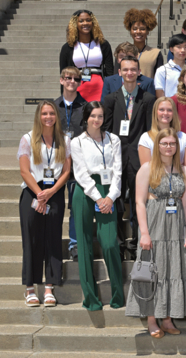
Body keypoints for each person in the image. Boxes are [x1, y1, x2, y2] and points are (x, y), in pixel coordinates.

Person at [127, 128, 186, 337]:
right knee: (154, 270)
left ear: (177, 147)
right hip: (154, 223)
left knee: (173, 269)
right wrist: (144, 233)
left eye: (172, 143)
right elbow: (139, 202)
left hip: (176, 227)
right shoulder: (147, 168)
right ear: (157, 146)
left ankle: (167, 318)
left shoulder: (183, 170)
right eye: (164, 143)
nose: (168, 147)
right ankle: (151, 319)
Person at [69, 101, 124, 311]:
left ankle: (118, 295)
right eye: (93, 116)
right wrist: (97, 197)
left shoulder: (113, 139)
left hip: (108, 190)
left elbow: (118, 171)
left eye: (100, 116)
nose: (97, 120)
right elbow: (80, 173)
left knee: (109, 243)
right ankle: (91, 299)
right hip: (85, 191)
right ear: (86, 117)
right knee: (83, 246)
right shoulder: (77, 142)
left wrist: (110, 197)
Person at [18, 101, 72, 308]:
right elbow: (24, 170)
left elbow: (66, 171)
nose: (48, 117)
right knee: (31, 240)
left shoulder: (64, 140)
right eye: (44, 113)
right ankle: (30, 288)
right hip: (32, 191)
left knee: (52, 239)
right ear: (38, 116)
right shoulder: (27, 139)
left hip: (55, 192)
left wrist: (50, 192)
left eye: (51, 113)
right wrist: (40, 194)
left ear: (56, 116)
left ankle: (50, 286)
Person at [102, 56, 156, 256]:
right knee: (115, 199)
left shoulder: (148, 99)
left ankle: (135, 241)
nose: (129, 73)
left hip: (138, 158)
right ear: (119, 72)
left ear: (139, 72)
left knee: (137, 200)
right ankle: (116, 240)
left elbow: (150, 130)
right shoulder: (110, 99)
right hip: (116, 158)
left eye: (133, 69)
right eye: (125, 70)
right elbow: (106, 130)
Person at [56, 67, 87, 261]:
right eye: (68, 78)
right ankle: (52, 239)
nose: (72, 81)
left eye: (76, 79)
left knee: (76, 205)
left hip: (78, 163)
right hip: (56, 163)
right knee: (55, 204)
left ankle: (75, 243)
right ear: (61, 80)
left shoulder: (86, 106)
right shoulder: (52, 106)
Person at [59, 9, 114, 102]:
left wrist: (111, 93)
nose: (85, 23)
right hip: (77, 88)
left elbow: (110, 72)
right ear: (75, 24)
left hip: (99, 88)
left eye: (88, 20)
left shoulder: (103, 44)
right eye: (81, 21)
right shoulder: (68, 47)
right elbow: (63, 75)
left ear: (93, 23)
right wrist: (64, 97)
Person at [138, 97, 186, 173]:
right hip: (155, 183)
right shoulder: (146, 138)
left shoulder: (183, 137)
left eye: (169, 110)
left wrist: (182, 184)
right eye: (161, 110)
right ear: (155, 112)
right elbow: (146, 171)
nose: (165, 113)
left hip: (179, 182)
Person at [123, 8, 163, 78]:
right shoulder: (123, 52)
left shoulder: (156, 53)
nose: (138, 31)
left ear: (148, 31)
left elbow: (159, 79)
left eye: (142, 29)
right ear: (130, 31)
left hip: (147, 88)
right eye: (135, 29)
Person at [154, 33, 186, 98]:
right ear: (171, 49)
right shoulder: (162, 70)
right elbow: (160, 95)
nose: (182, 50)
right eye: (179, 47)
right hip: (171, 106)